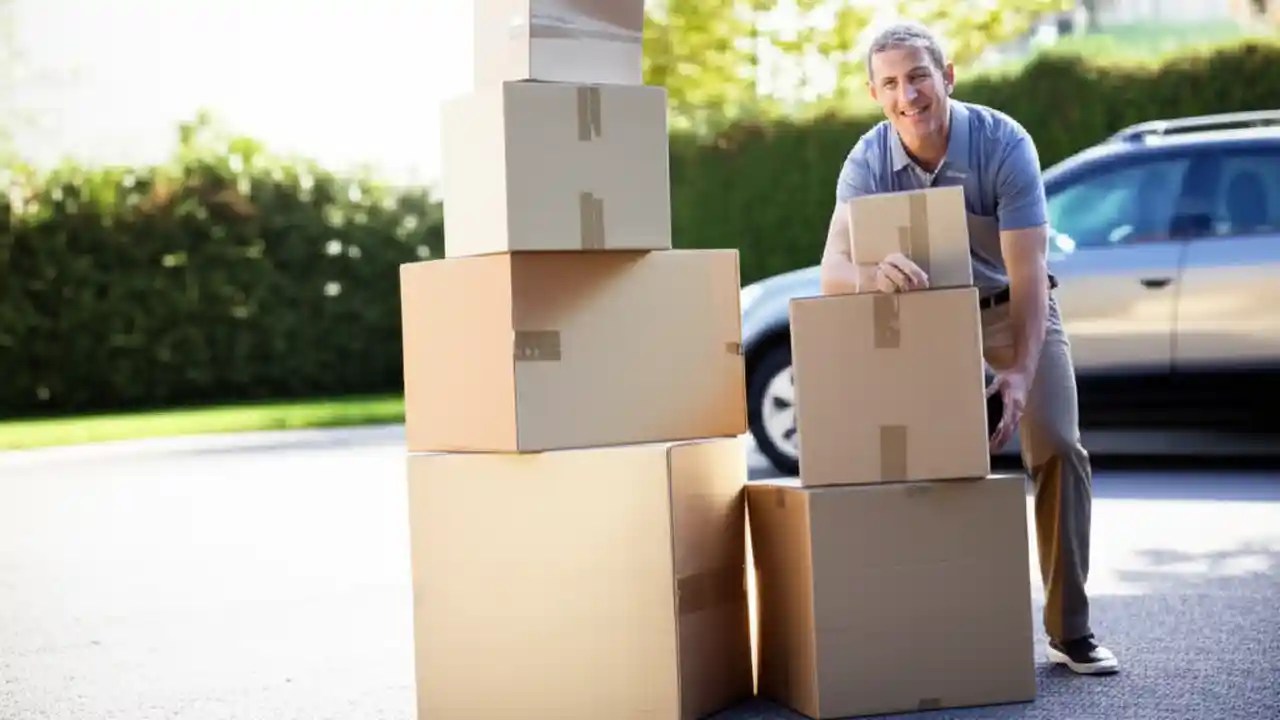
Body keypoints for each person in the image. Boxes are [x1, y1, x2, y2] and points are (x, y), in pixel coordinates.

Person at [819, 21, 1119, 675]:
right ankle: (933, 627)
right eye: (890, 83)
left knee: (1057, 443)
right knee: (921, 461)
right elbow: (832, 271)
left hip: (1010, 310)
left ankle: (1069, 629)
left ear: (947, 77)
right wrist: (872, 275)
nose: (907, 96)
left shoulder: (1002, 143)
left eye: (918, 77)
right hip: (928, 320)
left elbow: (1029, 275)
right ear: (874, 94)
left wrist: (1020, 374)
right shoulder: (868, 161)